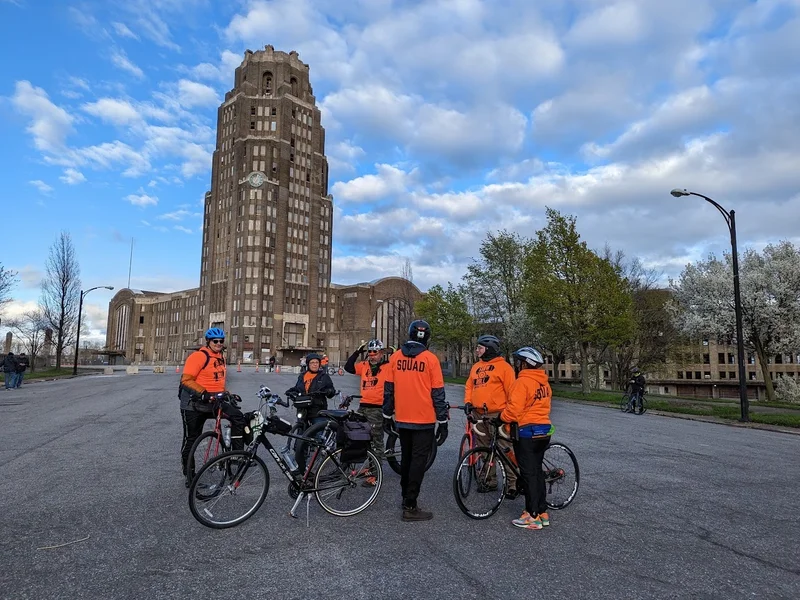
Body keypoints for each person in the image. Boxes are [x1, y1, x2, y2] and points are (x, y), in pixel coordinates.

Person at [383, 320, 448, 522]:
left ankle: (405, 497)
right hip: (424, 419)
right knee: (418, 462)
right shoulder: (430, 359)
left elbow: (389, 390)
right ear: (427, 338)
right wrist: (443, 421)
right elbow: (438, 393)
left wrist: (387, 415)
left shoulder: (395, 357)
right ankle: (410, 505)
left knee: (407, 459)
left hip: (402, 417)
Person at [178, 327, 248, 487]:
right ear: (208, 342)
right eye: (215, 341)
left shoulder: (221, 357)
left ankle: (236, 456)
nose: (218, 343)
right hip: (193, 404)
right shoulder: (198, 356)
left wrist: (227, 393)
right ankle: (190, 475)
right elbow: (186, 380)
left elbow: (217, 381)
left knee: (238, 417)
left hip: (213, 401)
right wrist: (203, 393)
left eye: (221, 341)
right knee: (192, 439)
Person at [498, 346, 553, 531]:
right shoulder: (544, 383)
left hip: (527, 432)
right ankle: (542, 512)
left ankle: (532, 515)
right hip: (543, 431)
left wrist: (500, 418)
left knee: (528, 474)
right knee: (537, 472)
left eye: (518, 362)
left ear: (524, 364)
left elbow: (513, 410)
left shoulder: (522, 382)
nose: (516, 365)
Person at [464, 334, 517, 495]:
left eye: (479, 348)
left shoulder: (504, 367)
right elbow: (470, 386)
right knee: (484, 449)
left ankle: (512, 483)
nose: (477, 350)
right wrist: (468, 402)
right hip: (479, 414)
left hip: (498, 415)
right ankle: (489, 480)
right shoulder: (476, 367)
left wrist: (510, 414)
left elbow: (512, 392)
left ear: (489, 349)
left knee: (505, 448)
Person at [344, 339, 390, 468]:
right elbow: (348, 367)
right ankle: (370, 465)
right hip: (363, 406)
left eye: (375, 353)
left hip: (377, 407)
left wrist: (396, 353)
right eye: (370, 353)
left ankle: (375, 471)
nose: (372, 356)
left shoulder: (388, 366)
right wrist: (357, 352)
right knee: (361, 437)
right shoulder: (364, 365)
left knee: (376, 440)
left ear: (381, 353)